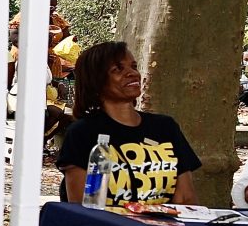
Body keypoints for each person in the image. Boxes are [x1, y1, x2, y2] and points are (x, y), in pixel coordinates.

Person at [56, 40, 199, 206]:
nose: (132, 73)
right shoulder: (83, 133)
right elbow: (82, 208)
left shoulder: (165, 127)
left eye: (134, 66)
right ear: (96, 81)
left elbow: (187, 199)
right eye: (118, 69)